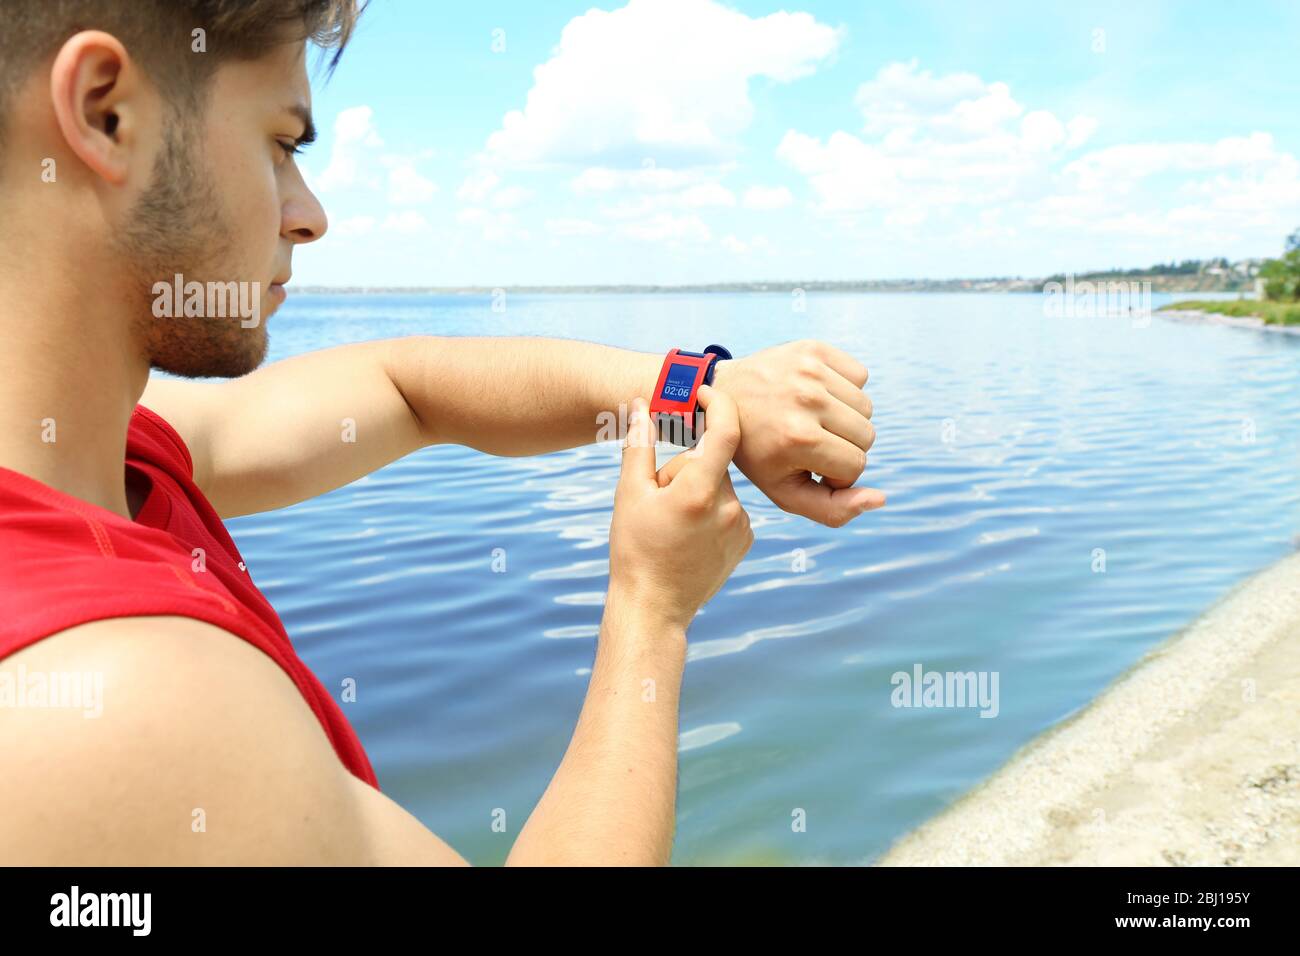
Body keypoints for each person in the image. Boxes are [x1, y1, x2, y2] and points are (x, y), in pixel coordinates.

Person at [0, 1, 881, 865]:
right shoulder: (120, 711)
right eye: (281, 144)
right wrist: (652, 609)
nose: (309, 213)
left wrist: (709, 391)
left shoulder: (125, 452)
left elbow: (408, 387)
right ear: (104, 113)